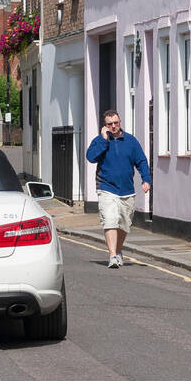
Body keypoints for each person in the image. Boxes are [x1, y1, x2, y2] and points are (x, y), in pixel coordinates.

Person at [85, 109, 151, 268]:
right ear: (105, 126)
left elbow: (141, 161)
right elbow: (91, 157)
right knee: (110, 219)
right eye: (110, 124)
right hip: (106, 187)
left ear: (120, 122)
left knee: (124, 224)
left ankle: (119, 250)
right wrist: (103, 140)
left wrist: (146, 179)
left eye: (116, 123)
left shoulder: (131, 141)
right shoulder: (99, 140)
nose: (113, 126)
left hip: (127, 190)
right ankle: (113, 255)